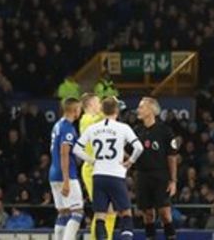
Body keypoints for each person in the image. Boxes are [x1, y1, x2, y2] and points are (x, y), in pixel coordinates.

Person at [73, 97, 144, 240]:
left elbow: (76, 149)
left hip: (98, 174)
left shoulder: (94, 127)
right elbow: (139, 147)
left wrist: (92, 160)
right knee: (125, 213)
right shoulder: (121, 127)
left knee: (101, 214)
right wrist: (130, 161)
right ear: (116, 110)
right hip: (115, 174)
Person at [134, 97, 178, 240]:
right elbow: (128, 152)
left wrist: (173, 181)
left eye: (142, 107)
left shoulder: (165, 131)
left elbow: (172, 157)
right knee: (147, 214)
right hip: (142, 176)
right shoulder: (136, 131)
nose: (138, 110)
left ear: (151, 110)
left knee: (165, 213)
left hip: (160, 176)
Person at [79, 94, 116, 240]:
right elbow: (99, 122)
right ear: (90, 104)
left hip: (104, 168)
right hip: (91, 169)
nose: (100, 104)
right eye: (97, 102)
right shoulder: (86, 119)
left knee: (111, 209)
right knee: (102, 210)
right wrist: (108, 109)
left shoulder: (99, 119)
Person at [49, 97, 84, 240]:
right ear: (75, 111)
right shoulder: (68, 128)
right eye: (79, 109)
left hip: (53, 172)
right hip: (66, 173)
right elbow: (64, 153)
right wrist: (67, 180)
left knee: (63, 213)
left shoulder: (57, 125)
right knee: (77, 212)